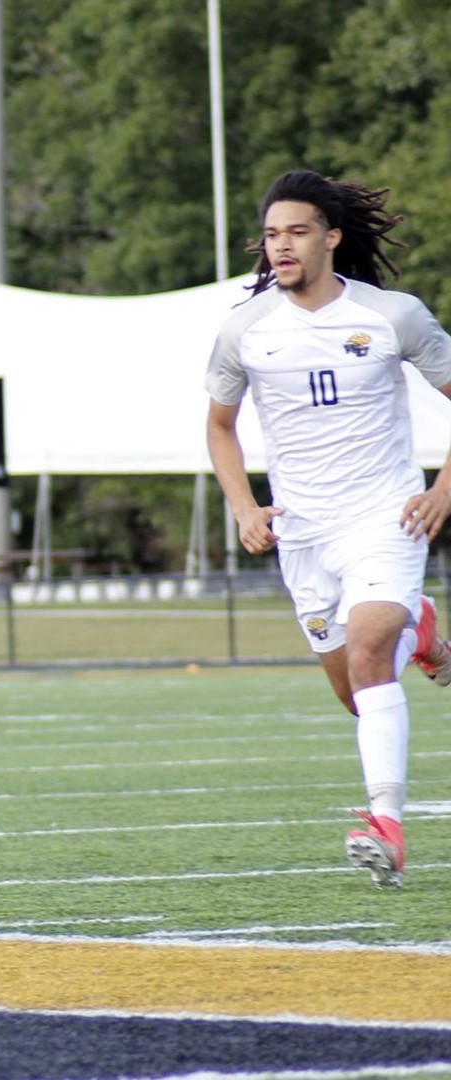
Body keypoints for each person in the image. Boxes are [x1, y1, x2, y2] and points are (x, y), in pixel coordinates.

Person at [206, 170, 451, 888]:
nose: (280, 246)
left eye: (297, 231)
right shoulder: (244, 331)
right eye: (272, 234)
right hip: (303, 535)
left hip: (385, 515)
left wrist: (443, 489)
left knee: (373, 654)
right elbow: (219, 428)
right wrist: (245, 509)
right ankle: (425, 631)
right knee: (354, 691)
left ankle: (386, 825)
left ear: (332, 237)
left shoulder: (393, 316)